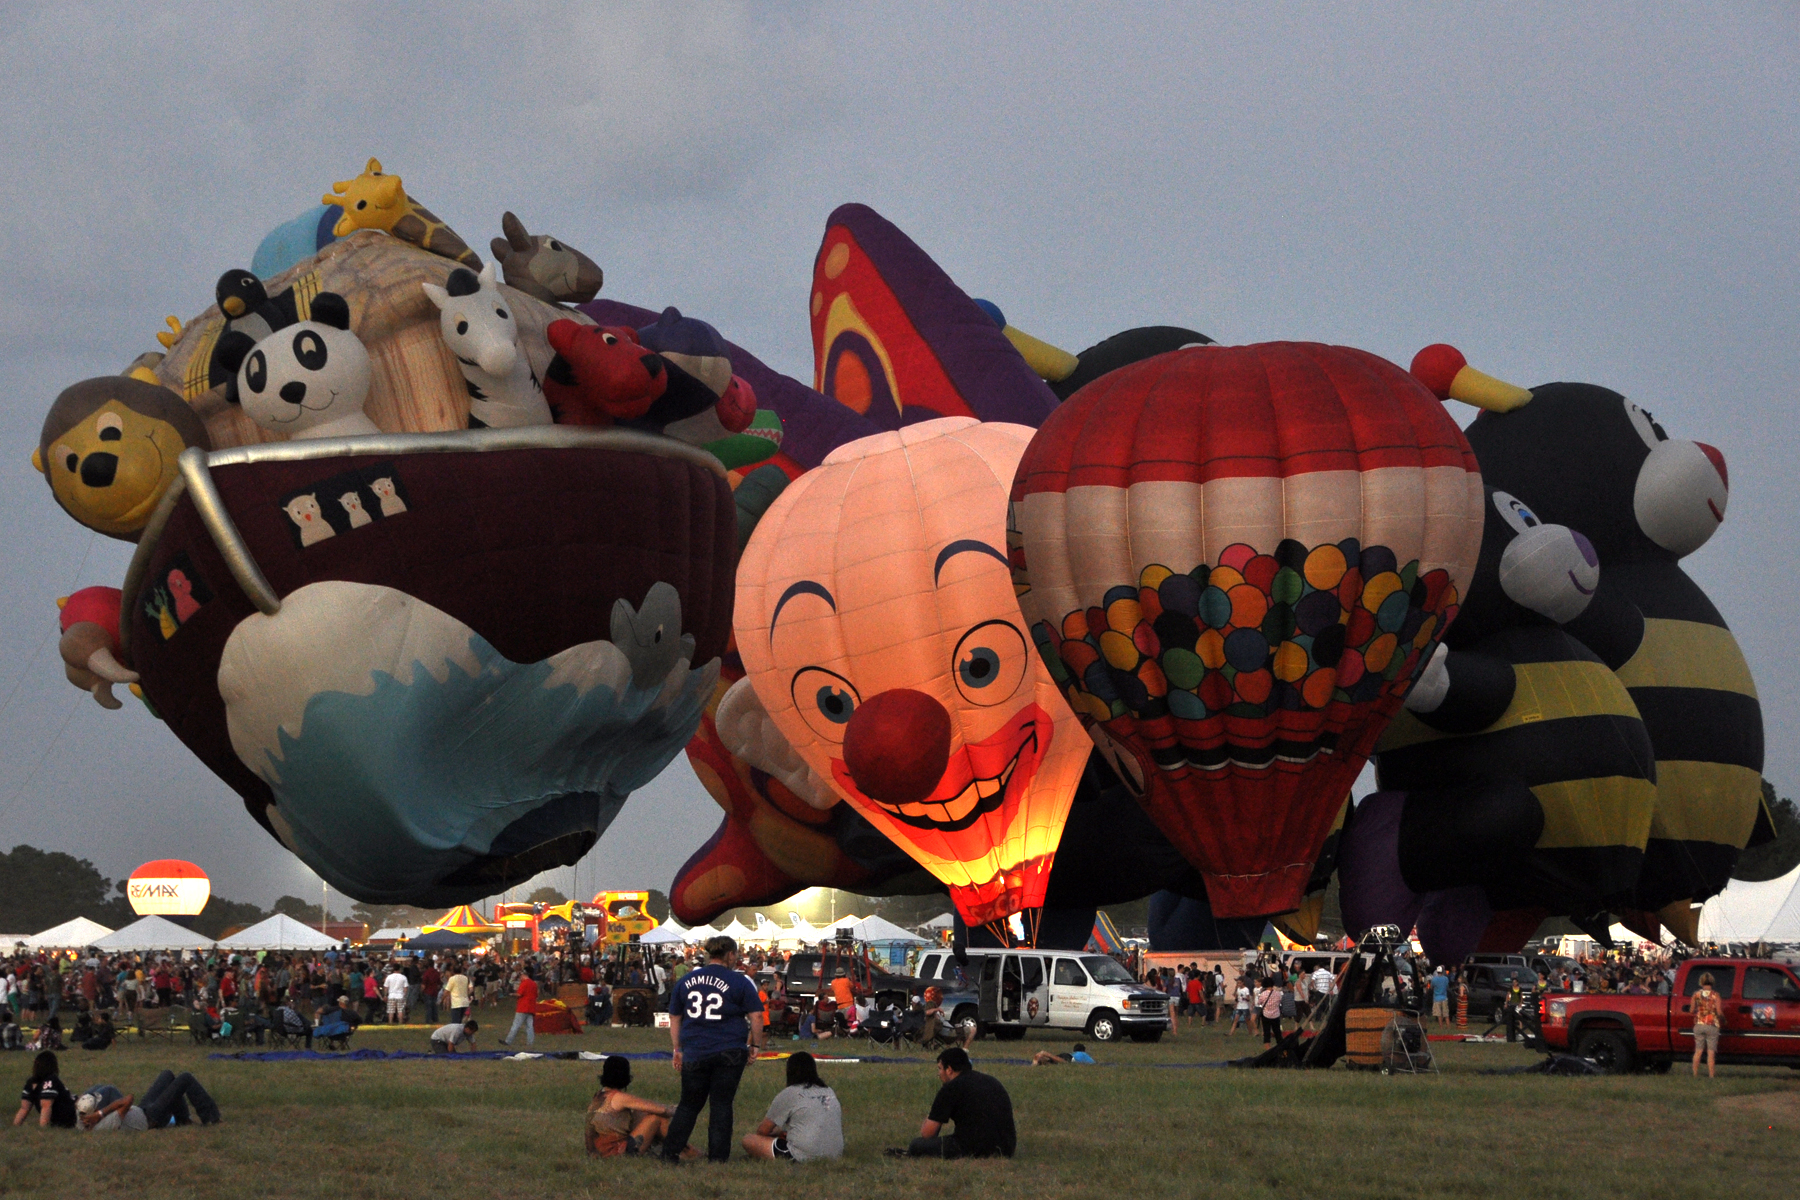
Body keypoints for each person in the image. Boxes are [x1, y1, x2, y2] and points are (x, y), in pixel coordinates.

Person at [662, 935, 765, 1164]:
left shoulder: (686, 980)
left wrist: (677, 1048)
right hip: (729, 1049)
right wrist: (755, 1044)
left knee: (689, 1105)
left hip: (695, 1049)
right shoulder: (740, 981)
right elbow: (756, 1015)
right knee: (721, 1104)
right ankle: (718, 1157)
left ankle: (670, 1152)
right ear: (730, 954)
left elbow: (675, 1017)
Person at [890, 1047, 1016, 1159]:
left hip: (972, 1148)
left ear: (949, 1070)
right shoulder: (992, 1081)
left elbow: (927, 1133)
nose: (939, 1074)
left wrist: (935, 1110)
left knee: (916, 1145)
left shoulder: (951, 1088)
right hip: (1006, 1148)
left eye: (940, 1069)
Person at [744, 1050, 843, 1162]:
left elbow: (762, 1131)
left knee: (749, 1140)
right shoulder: (829, 1091)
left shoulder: (790, 1093)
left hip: (802, 1155)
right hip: (835, 1153)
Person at [587, 1054, 685, 1158]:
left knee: (642, 1112)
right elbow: (663, 1110)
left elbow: (646, 1108)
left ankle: (672, 1150)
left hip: (596, 1153)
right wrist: (685, 1111)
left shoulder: (599, 1095)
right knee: (656, 1119)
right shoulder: (619, 1097)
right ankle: (685, 1151)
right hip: (616, 1154)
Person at [76, 1070, 221, 1130]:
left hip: (142, 1108)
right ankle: (211, 1118)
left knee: (167, 1074)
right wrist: (100, 1114)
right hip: (151, 1117)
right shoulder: (102, 1125)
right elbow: (128, 1099)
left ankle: (183, 1120)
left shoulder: (82, 1119)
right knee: (185, 1078)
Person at [15, 1051, 76, 1128]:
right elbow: (25, 1108)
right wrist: (15, 1126)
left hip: (74, 1113)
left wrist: (43, 1129)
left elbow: (45, 1106)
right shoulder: (36, 1082)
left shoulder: (49, 1080)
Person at [1690, 971, 1722, 1079]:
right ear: (1712, 982)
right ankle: (1711, 1075)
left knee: (1698, 1051)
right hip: (1712, 1024)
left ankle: (1695, 1074)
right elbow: (1719, 1012)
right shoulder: (1715, 995)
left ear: (1701, 982)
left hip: (1699, 1024)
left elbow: (1691, 1010)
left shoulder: (1696, 995)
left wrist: (1698, 1011)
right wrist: (1723, 1019)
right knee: (1711, 1052)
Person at [501, 969, 539, 1047]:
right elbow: (536, 995)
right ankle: (530, 1042)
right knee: (529, 1026)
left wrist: (511, 994)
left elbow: (519, 994)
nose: (519, 979)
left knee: (516, 1025)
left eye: (520, 977)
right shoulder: (534, 983)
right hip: (531, 1007)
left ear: (523, 975)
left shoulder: (524, 983)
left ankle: (508, 1041)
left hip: (523, 1007)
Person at [1030, 1043, 1095, 1066]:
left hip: (1066, 1055)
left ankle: (1039, 1059)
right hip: (1069, 1058)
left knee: (1051, 1062)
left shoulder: (1074, 1053)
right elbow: (1093, 1063)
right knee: (1063, 1062)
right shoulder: (1084, 1054)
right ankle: (1044, 1054)